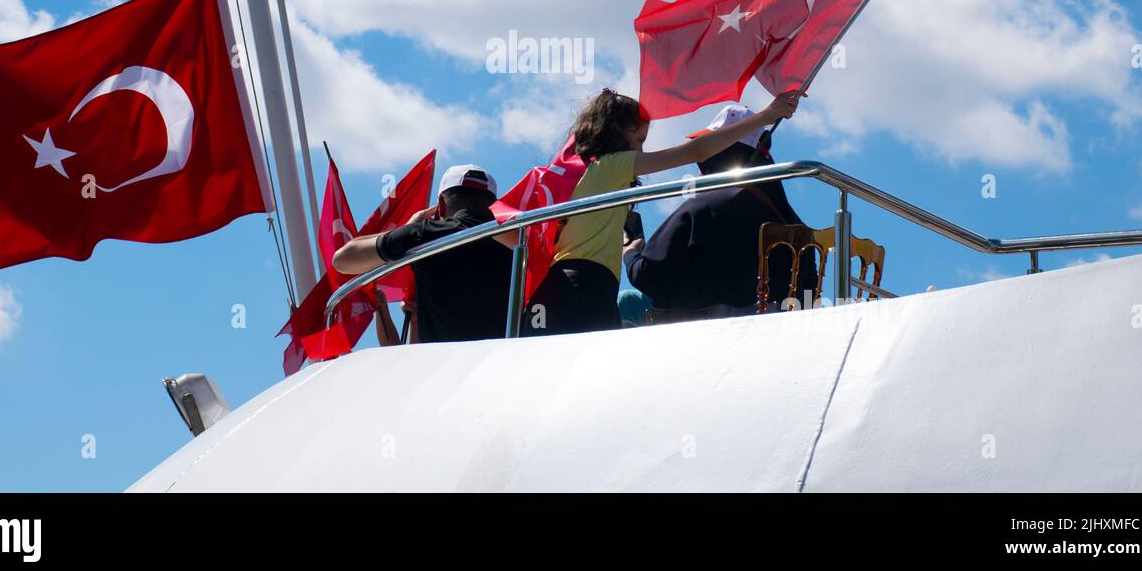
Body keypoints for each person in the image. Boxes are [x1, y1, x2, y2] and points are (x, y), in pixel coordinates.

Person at [521, 87, 803, 337]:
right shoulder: (611, 166)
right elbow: (697, 151)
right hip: (588, 285)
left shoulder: (575, 174)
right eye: (639, 139)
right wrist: (768, 115)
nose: (642, 148)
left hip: (557, 287)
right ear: (615, 132)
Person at [624, 103, 818, 324]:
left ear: (721, 152)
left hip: (699, 338)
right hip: (776, 337)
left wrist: (630, 254)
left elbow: (649, 277)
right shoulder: (794, 225)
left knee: (625, 302)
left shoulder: (702, 207)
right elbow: (808, 300)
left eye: (708, 151)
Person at [333, 165, 512, 344]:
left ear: (440, 206)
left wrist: (407, 230)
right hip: (508, 362)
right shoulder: (520, 239)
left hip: (445, 365)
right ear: (493, 204)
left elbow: (342, 260)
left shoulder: (424, 236)